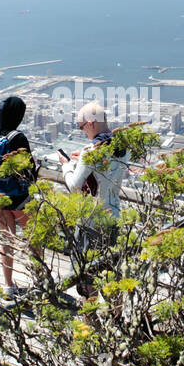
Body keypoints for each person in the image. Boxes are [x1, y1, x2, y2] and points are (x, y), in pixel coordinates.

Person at [59, 102, 129, 296]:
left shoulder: (92, 152)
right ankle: (116, 319)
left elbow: (74, 185)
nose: (83, 132)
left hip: (91, 220)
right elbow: (106, 165)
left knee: (86, 276)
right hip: (114, 214)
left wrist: (66, 166)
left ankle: (90, 324)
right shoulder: (123, 147)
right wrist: (82, 156)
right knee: (111, 273)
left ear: (90, 123)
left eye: (82, 127)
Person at [0, 97, 41, 299]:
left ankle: (8, 285)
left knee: (7, 239)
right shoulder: (17, 138)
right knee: (34, 237)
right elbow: (28, 170)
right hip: (19, 197)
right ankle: (41, 280)